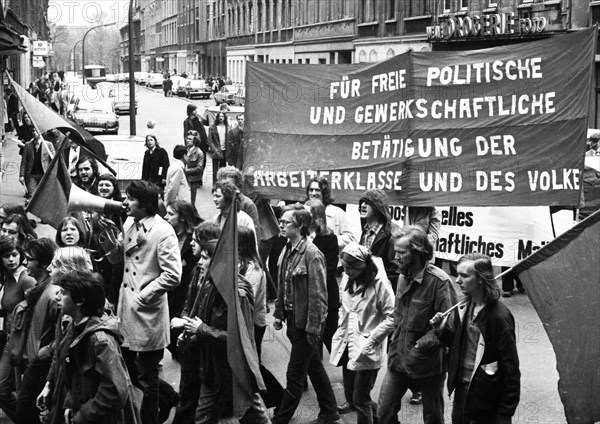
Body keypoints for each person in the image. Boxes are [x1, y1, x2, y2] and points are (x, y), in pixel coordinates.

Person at [377, 226, 458, 424]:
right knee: (383, 413)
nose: (396, 256)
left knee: (433, 418)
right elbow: (398, 317)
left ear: (419, 252)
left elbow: (450, 328)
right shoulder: (403, 276)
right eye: (395, 251)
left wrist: (419, 348)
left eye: (402, 252)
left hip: (428, 365)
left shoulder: (440, 282)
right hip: (397, 360)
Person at [117, 180, 182, 424]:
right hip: (128, 310)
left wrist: (143, 295)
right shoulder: (128, 223)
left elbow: (173, 275)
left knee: (146, 375)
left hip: (146, 312)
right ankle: (169, 397)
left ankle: (151, 418)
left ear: (145, 204)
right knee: (130, 368)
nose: (126, 202)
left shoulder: (163, 230)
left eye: (131, 198)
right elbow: (123, 263)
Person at [184, 241, 270, 423]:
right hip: (212, 368)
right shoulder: (209, 285)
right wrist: (191, 334)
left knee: (252, 416)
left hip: (233, 370)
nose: (199, 262)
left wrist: (201, 330)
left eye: (205, 258)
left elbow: (240, 338)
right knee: (204, 418)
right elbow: (201, 318)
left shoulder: (238, 294)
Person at [431, 253, 520, 424]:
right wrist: (441, 330)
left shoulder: (500, 318)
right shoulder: (464, 307)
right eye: (458, 274)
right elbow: (459, 345)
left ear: (481, 279)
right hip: (462, 389)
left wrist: (505, 414)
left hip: (485, 395)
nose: (457, 280)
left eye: (464, 276)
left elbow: (511, 370)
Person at [272, 204, 340, 424]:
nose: (281, 225)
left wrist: (313, 329)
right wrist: (279, 313)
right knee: (314, 367)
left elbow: (319, 296)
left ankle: (281, 418)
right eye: (281, 222)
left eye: (286, 222)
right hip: (293, 322)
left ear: (300, 226)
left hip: (305, 326)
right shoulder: (287, 248)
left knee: (294, 374)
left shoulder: (312, 254)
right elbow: (284, 283)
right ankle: (330, 411)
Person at [54, 270, 141, 424]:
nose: (57, 297)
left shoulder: (100, 341)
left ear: (80, 300)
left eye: (63, 292)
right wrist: (70, 405)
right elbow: (73, 376)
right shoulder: (74, 328)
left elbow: (114, 391)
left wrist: (82, 415)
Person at [330, 242, 395, 423]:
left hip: (368, 346)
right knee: (353, 396)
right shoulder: (347, 277)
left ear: (362, 266)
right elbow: (345, 309)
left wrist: (373, 339)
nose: (346, 272)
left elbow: (393, 316)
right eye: (344, 268)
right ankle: (384, 419)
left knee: (361, 399)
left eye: (350, 268)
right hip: (347, 341)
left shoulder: (380, 283)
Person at [36, 246, 95, 424]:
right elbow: (60, 350)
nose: (48, 269)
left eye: (53, 265)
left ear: (68, 270)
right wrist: (49, 383)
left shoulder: (86, 313)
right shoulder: (65, 303)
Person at [170, 222, 221, 424]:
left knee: (192, 399)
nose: (192, 244)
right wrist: (184, 321)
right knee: (189, 395)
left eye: (196, 241)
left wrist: (192, 327)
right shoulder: (198, 270)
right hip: (192, 345)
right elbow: (188, 302)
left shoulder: (220, 281)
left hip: (203, 347)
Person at [238, 226, 284, 409]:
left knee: (253, 365)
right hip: (247, 322)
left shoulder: (254, 270)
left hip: (253, 324)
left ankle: (278, 396)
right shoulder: (243, 264)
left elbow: (247, 298)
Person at [13, 238, 58, 424]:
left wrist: (43, 352)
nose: (25, 263)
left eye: (30, 259)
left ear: (44, 263)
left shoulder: (52, 294)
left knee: (25, 414)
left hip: (41, 363)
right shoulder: (41, 289)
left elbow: (66, 334)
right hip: (34, 360)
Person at [0, 236, 36, 421]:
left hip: (24, 341)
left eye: (14, 254)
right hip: (10, 339)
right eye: (6, 256)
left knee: (21, 392)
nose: (11, 259)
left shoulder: (27, 278)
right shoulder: (6, 278)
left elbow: (35, 313)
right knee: (2, 389)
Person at [164, 200, 202, 361]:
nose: (165, 217)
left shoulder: (195, 237)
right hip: (169, 291)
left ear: (182, 218)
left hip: (187, 292)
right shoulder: (165, 234)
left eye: (170, 214)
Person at [304, 199, 339, 354]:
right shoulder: (302, 234)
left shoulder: (329, 237)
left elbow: (330, 268)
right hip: (307, 293)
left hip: (326, 292)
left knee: (330, 334)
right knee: (313, 338)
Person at [90, 173, 125, 306]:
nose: (103, 188)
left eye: (107, 185)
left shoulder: (120, 210)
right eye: (101, 185)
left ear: (114, 188)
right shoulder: (93, 206)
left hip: (113, 261)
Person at [358, 189, 399, 291]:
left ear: (378, 207)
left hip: (382, 293)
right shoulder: (365, 230)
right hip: (366, 290)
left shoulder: (392, 233)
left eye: (367, 203)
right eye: (361, 202)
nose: (362, 205)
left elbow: (395, 270)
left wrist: (376, 285)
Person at [306, 176, 357, 255]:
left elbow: (349, 237)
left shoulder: (338, 213)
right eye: (311, 190)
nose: (313, 193)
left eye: (317, 190)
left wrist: (331, 242)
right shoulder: (303, 211)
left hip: (332, 259)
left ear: (324, 192)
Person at [19, 127, 55, 200]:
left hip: (44, 175)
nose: (35, 132)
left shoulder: (48, 145)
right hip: (32, 175)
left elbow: (54, 160)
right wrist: (21, 175)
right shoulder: (28, 145)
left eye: (36, 131)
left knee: (44, 197)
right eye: (33, 131)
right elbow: (24, 161)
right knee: (32, 197)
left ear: (41, 132)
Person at [183, 103, 209, 184]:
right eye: (194, 110)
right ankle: (195, 179)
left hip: (203, 142)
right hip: (195, 143)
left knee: (203, 161)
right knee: (194, 161)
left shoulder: (199, 118)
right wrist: (187, 144)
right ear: (190, 111)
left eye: (196, 110)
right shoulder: (187, 121)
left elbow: (207, 123)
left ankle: (200, 177)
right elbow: (186, 134)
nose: (196, 111)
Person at [207, 111, 229, 184]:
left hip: (224, 151)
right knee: (215, 171)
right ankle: (215, 186)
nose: (221, 118)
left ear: (224, 118)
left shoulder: (227, 127)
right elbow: (209, 140)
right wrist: (215, 150)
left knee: (223, 171)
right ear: (217, 118)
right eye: (219, 116)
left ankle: (222, 185)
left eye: (222, 116)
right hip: (216, 151)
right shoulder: (212, 127)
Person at [184, 131, 205, 206]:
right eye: (187, 138)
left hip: (193, 180)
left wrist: (187, 171)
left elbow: (199, 168)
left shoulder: (199, 153)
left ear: (195, 141)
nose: (187, 140)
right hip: (184, 178)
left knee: (191, 202)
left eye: (190, 139)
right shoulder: (185, 150)